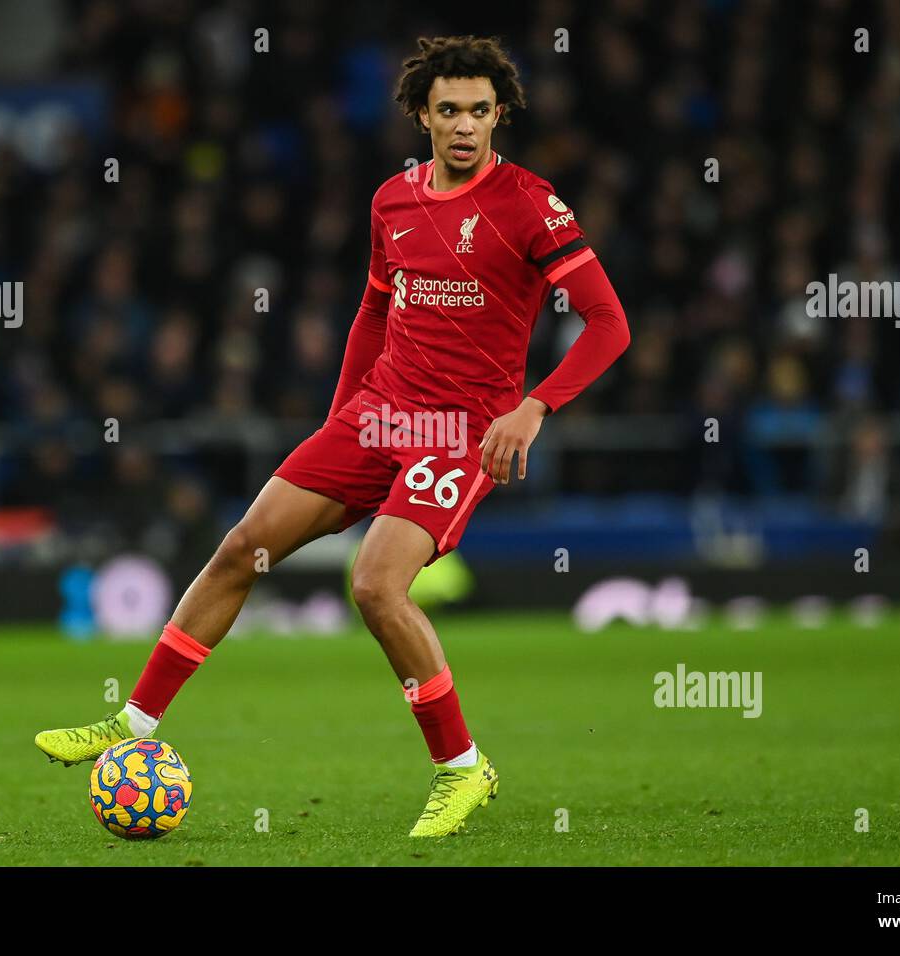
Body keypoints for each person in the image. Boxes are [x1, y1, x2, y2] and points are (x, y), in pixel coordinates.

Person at [36, 34, 630, 837]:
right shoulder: (392, 200)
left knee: (376, 586)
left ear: (500, 116)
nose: (464, 126)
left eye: (480, 112)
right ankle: (132, 723)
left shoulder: (529, 203)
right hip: (377, 415)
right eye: (449, 110)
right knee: (241, 545)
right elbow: (375, 310)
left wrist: (534, 408)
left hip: (459, 434)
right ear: (423, 114)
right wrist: (343, 416)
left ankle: (462, 769)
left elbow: (607, 323)